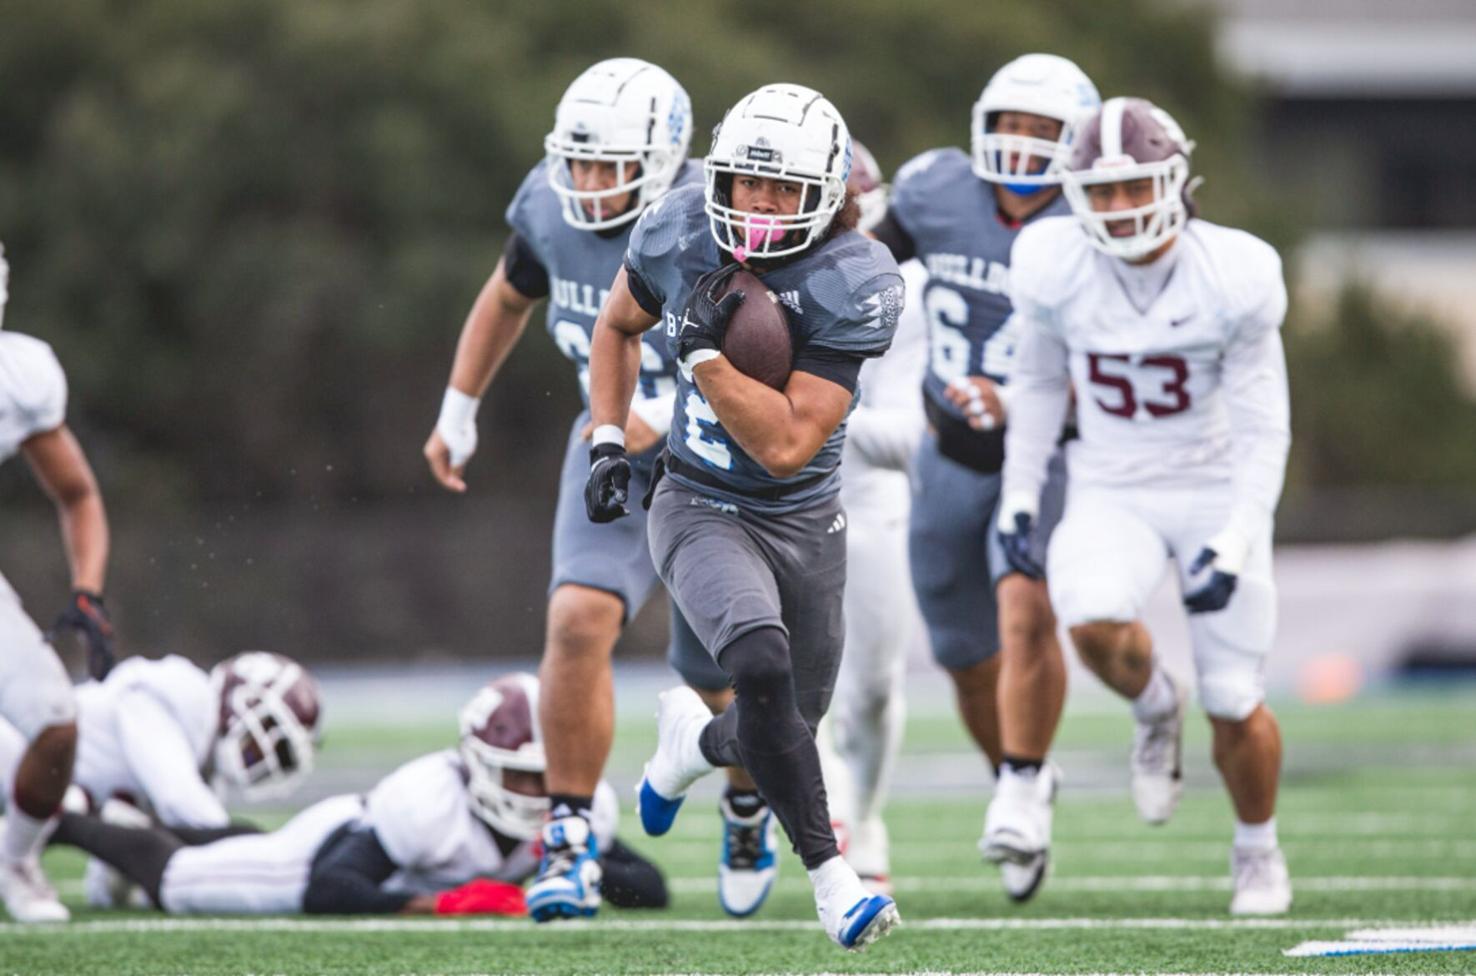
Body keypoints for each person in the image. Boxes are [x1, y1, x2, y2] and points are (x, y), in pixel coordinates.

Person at [584, 83, 904, 951]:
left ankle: (691, 743)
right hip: (696, 501)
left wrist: (700, 355)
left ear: (831, 193)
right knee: (757, 660)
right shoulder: (680, 225)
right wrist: (609, 439)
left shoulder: (856, 277)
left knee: (784, 720)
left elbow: (790, 445)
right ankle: (835, 884)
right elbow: (615, 327)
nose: (757, 204)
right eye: (745, 183)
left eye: (782, 189)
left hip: (802, 515)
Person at [418, 58, 710, 920]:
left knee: (727, 676)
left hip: (718, 459)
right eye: (575, 162)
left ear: (663, 158)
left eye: (607, 165)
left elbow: (769, 351)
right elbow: (506, 297)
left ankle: (746, 799)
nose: (584, 183)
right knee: (576, 619)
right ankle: (570, 838)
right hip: (609, 447)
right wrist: (457, 408)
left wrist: (662, 402)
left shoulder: (707, 217)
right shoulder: (547, 205)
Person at [1000, 96, 1293, 915]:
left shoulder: (1233, 274)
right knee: (1088, 617)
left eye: (1138, 188)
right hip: (1112, 484)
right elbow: (1035, 380)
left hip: (1214, 484)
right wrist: (1019, 497)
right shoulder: (1052, 263)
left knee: (1235, 696)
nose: (1123, 207)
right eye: (1106, 191)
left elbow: (1266, 428)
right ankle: (1156, 706)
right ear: (1077, 195)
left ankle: (1257, 850)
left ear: (1177, 182)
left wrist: (1238, 537)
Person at [870, 53, 1100, 901]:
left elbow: (1123, 352)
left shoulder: (1095, 217)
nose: (1023, 144)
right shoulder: (937, 190)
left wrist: (1031, 396)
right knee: (966, 658)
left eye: (1044, 131)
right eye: (1011, 124)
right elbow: (861, 263)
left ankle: (1019, 788)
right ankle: (1020, 774)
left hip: (1051, 450)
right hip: (948, 450)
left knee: (1025, 602)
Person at [50, 674, 667, 916]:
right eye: (525, 774)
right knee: (184, 882)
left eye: (551, 773)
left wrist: (574, 867)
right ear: (481, 762)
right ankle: (69, 819)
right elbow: (330, 887)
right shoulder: (430, 801)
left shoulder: (574, 805)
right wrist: (443, 904)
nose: (543, 791)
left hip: (347, 849)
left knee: (232, 846)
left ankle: (111, 816)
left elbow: (651, 887)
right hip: (326, 848)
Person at [813, 141, 928, 895]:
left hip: (870, 499)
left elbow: (914, 437)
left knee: (878, 685)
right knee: (797, 676)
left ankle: (871, 810)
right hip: (784, 501)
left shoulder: (906, 290)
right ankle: (831, 814)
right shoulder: (760, 279)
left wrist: (812, 414)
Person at [0, 651, 323, 906]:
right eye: (266, 743)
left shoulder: (203, 776)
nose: (263, 759)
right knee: (80, 807)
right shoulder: (181, 696)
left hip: (33, 798)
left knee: (90, 812)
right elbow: (178, 800)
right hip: (11, 749)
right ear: (242, 702)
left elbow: (104, 889)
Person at [0, 249, 116, 921]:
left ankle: (16, 859)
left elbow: (77, 494)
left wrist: (87, 590)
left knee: (56, 725)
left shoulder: (19, 377)